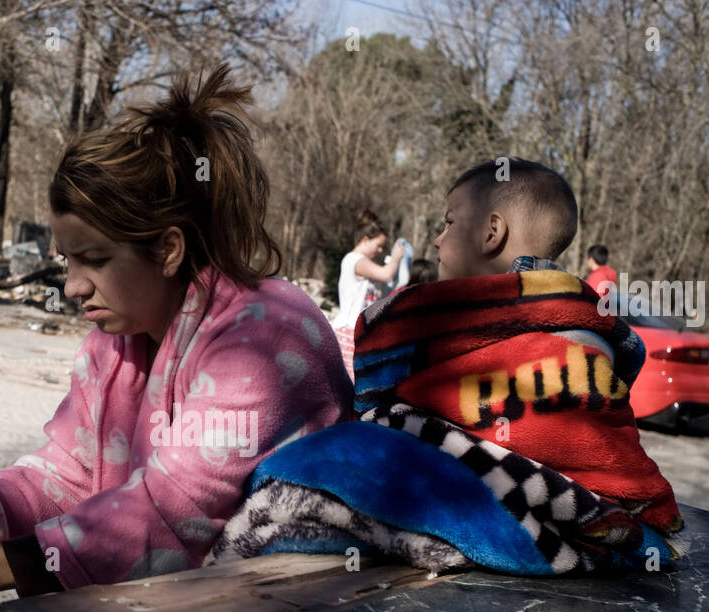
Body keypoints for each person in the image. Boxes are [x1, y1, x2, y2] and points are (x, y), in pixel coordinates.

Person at [0, 66, 353, 612]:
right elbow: (67, 478)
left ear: (167, 249)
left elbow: (170, 514)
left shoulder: (264, 339)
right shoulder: (114, 344)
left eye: (94, 260)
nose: (72, 286)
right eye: (68, 260)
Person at [212, 159, 681, 575]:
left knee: (333, 454)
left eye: (449, 221)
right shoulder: (586, 318)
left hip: (499, 494)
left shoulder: (430, 314)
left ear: (491, 232)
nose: (437, 238)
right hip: (606, 508)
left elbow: (378, 400)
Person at [334, 210, 405, 377]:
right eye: (378, 245)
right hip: (348, 329)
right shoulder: (354, 260)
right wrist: (396, 257)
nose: (380, 250)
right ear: (366, 240)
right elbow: (385, 273)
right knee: (350, 379)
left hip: (357, 330)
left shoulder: (361, 262)